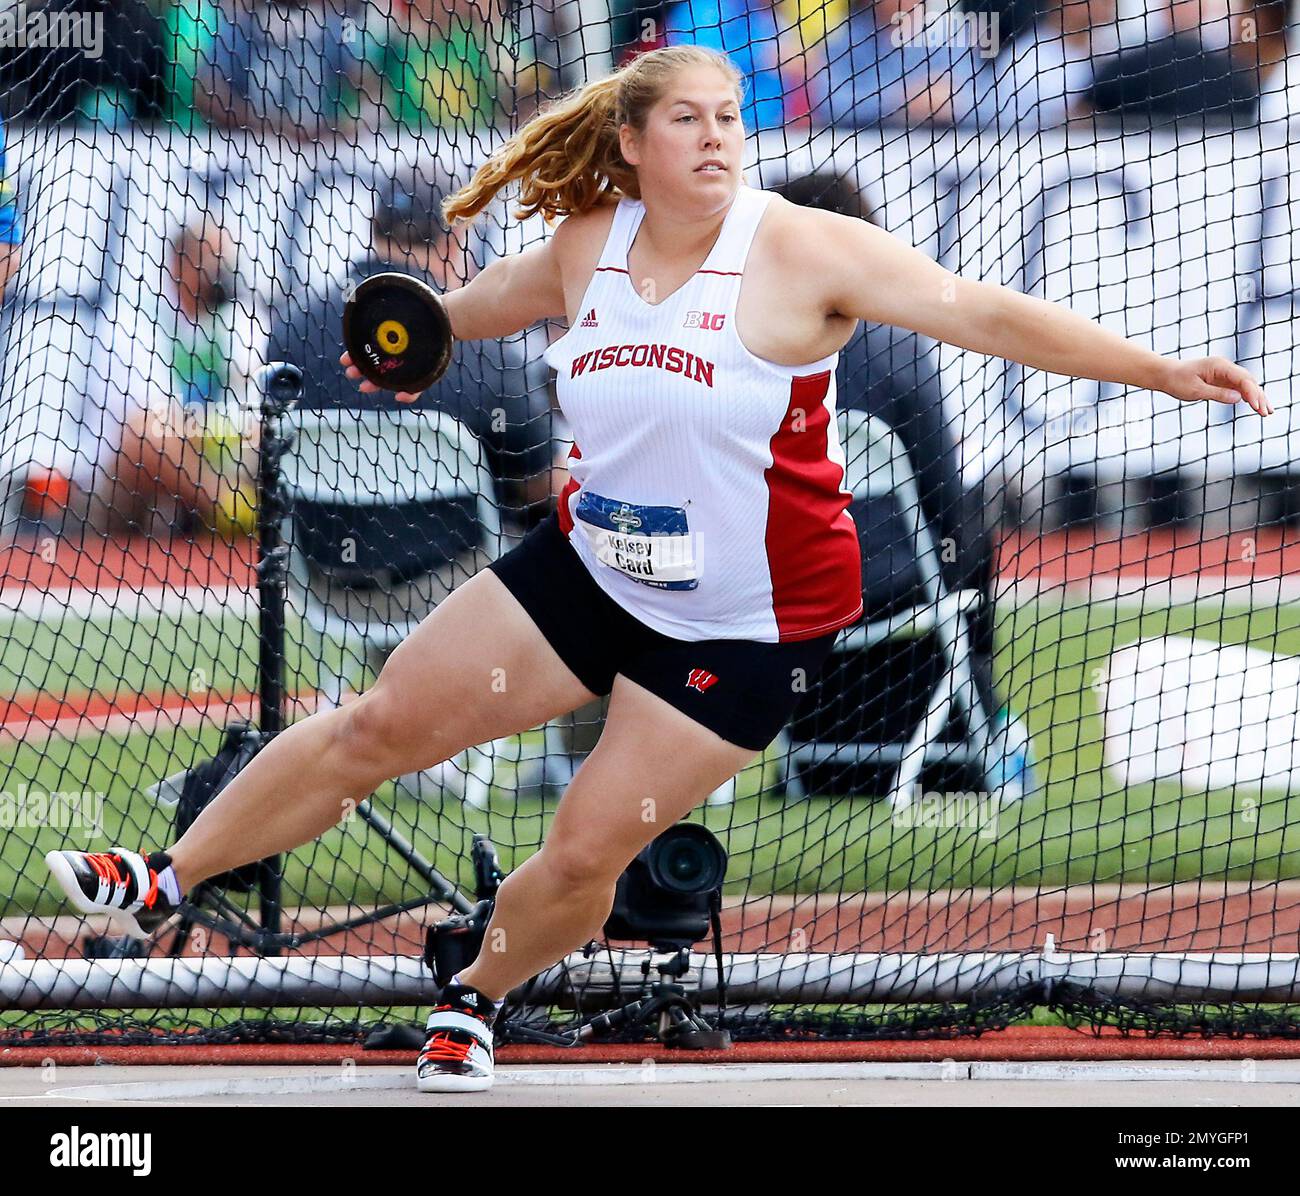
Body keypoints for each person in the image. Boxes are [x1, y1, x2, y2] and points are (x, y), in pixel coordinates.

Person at [44, 44, 1270, 1094]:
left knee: (585, 848)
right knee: (374, 725)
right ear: (630, 141)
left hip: (741, 625)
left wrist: (1155, 369)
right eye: (686, 117)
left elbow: (983, 311)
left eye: (731, 117)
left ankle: (475, 992)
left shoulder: (802, 250)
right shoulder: (590, 243)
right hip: (590, 571)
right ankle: (165, 874)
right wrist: (400, 329)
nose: (716, 138)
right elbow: (466, 311)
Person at [265, 169, 555, 529]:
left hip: (317, 574)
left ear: (375, 226)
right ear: (454, 240)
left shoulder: (294, 330)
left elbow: (265, 455)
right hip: (454, 574)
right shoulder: (484, 352)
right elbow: (542, 482)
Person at [76, 216, 262, 538]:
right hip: (124, 481)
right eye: (213, 260)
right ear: (180, 264)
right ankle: (233, 510)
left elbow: (253, 404)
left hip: (209, 461)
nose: (222, 271)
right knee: (151, 431)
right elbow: (153, 419)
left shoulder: (239, 320)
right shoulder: (134, 319)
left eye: (227, 260)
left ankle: (233, 514)